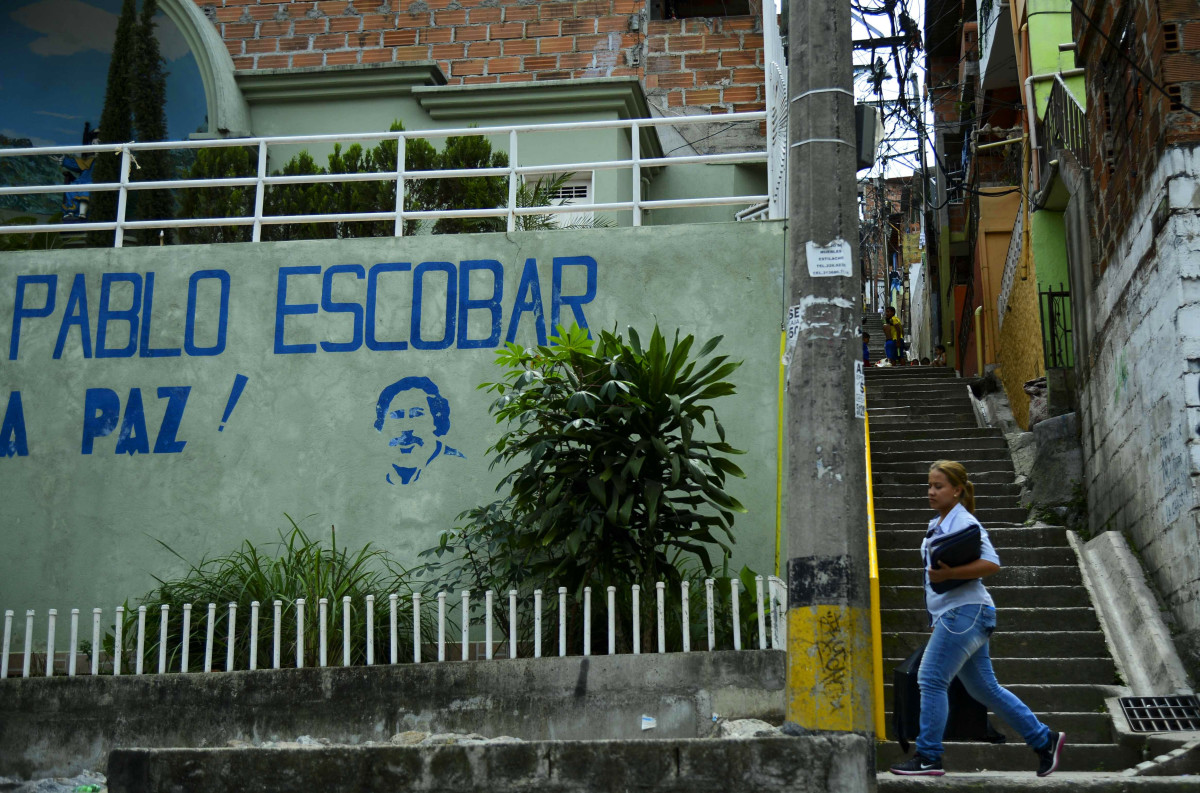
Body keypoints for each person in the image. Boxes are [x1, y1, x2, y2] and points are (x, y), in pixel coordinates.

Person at [889, 460, 1065, 777]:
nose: (931, 491)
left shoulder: (964, 522)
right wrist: (936, 612)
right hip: (959, 614)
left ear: (957, 489)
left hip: (966, 613)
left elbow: (991, 563)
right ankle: (1044, 740)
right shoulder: (940, 523)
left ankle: (928, 756)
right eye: (929, 485)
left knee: (930, 678)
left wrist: (951, 574)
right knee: (985, 690)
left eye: (938, 486)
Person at [374, 376, 465, 485]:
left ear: (436, 420)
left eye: (416, 415)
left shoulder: (455, 465)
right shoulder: (376, 469)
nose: (406, 428)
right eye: (397, 416)